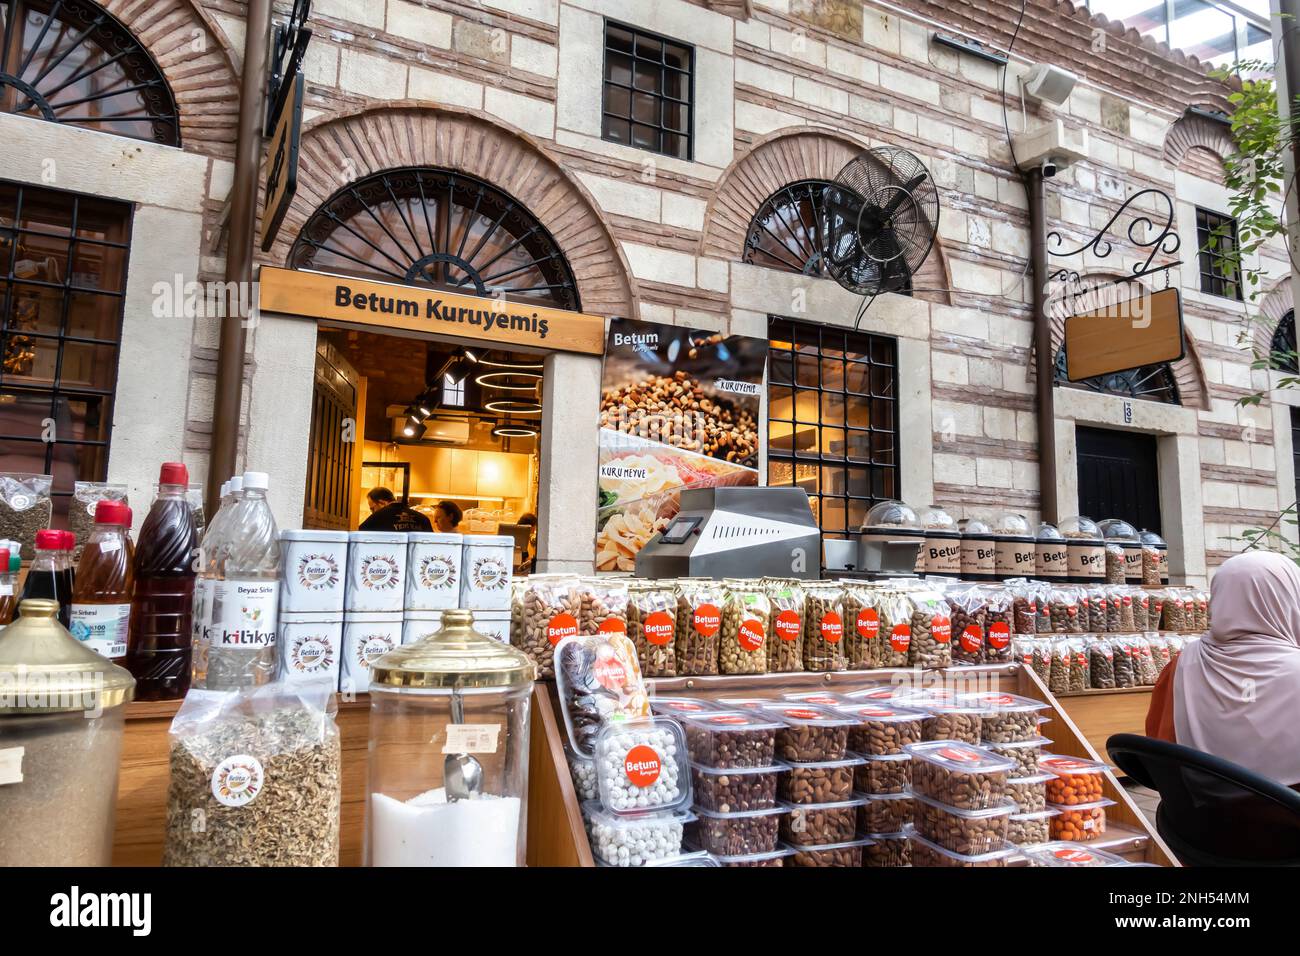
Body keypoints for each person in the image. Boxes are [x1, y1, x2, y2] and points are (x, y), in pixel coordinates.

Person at [1145, 550, 1300, 787]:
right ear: (1289, 599)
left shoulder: (1181, 666)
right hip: (1286, 818)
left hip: (1202, 816)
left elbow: (1159, 746)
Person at [360, 487, 431, 533]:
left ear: (382, 503)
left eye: (372, 508)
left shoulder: (377, 517)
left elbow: (359, 535)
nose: (372, 512)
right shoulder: (423, 519)